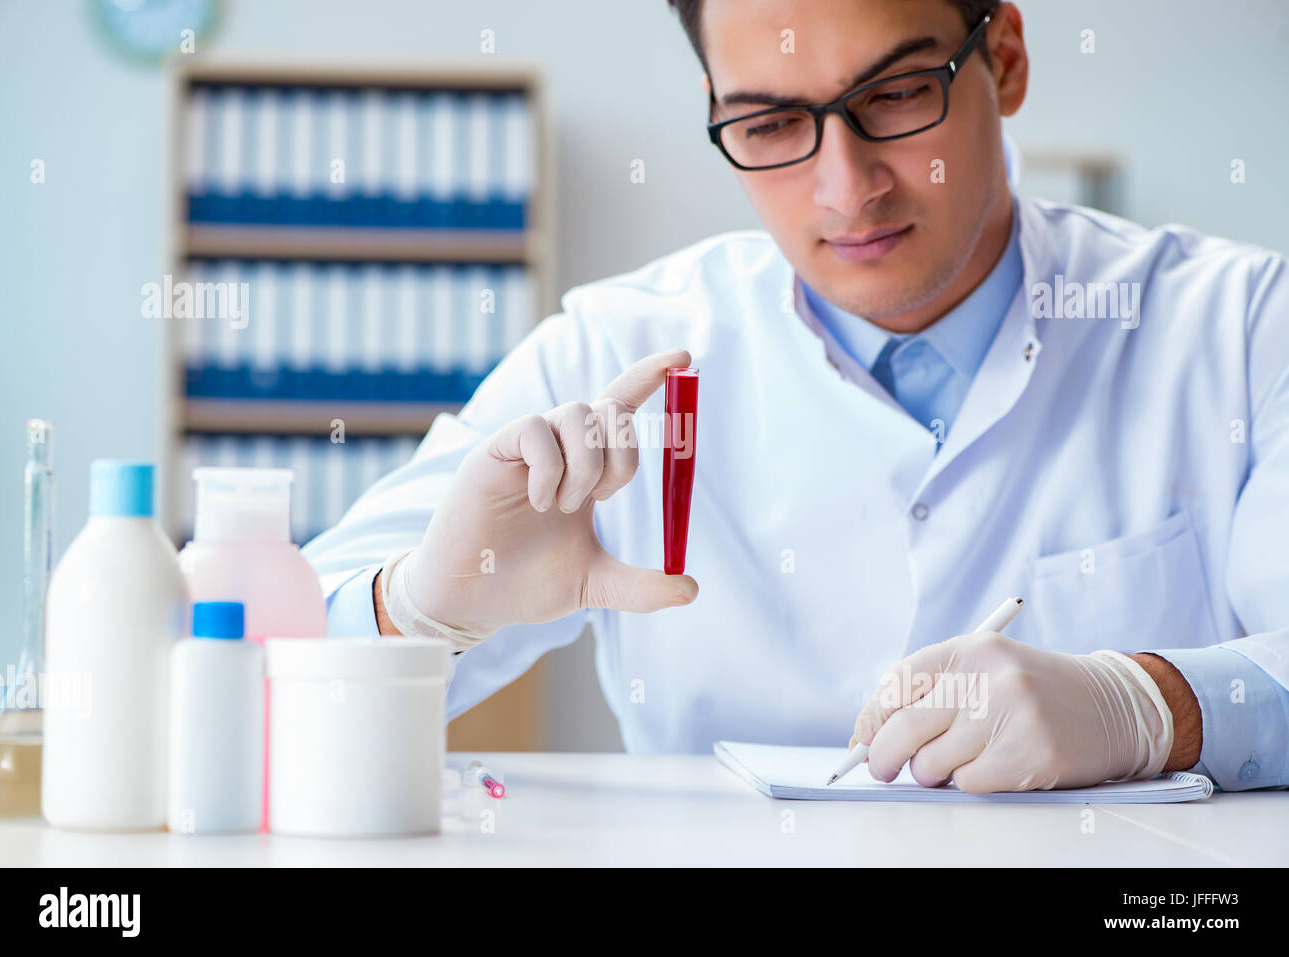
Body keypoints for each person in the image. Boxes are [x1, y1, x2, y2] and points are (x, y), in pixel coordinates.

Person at [302, 0, 1289, 793]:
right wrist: (423, 608)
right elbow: (235, 677)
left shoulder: (1238, 326)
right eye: (771, 122)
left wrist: (1152, 706)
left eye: (899, 94)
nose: (845, 187)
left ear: (1009, 58)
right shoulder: (613, 352)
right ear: (717, 111)